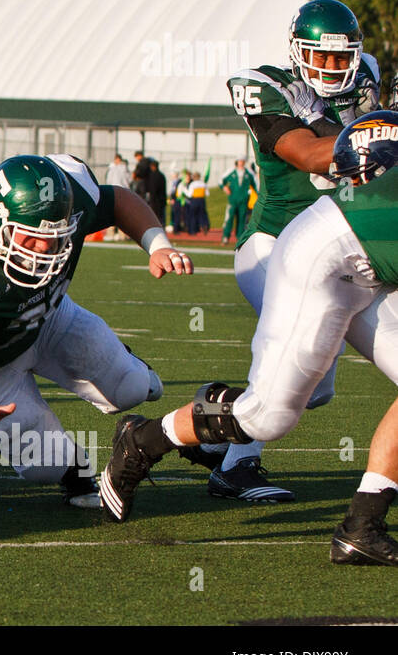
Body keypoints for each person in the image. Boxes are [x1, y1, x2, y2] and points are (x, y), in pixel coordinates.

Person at [101, 111, 398, 568]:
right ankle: (142, 440)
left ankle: (362, 526)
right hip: (326, 256)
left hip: (376, 263)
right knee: (267, 417)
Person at [180, 0, 381, 502]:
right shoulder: (265, 86)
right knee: (297, 367)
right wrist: (352, 133)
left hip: (339, 247)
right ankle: (234, 466)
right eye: (324, 56)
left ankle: (213, 419)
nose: (335, 67)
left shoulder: (369, 78)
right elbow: (311, 155)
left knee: (317, 389)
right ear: (297, 51)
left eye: (343, 57)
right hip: (273, 245)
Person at [0, 154, 190, 507]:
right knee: (44, 464)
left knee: (132, 388)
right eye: (29, 239)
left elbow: (119, 199)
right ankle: (76, 471)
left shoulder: (70, 201)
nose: (44, 248)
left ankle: (130, 366)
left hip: (47, 318)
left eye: (54, 236)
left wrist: (158, 246)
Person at [220, 158, 257, 245]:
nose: (241, 163)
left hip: (243, 200)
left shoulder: (248, 173)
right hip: (233, 199)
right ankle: (226, 237)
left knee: (242, 219)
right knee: (229, 218)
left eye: (242, 161)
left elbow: (256, 184)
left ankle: (239, 237)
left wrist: (258, 194)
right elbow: (221, 180)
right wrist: (224, 187)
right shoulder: (231, 171)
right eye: (239, 161)